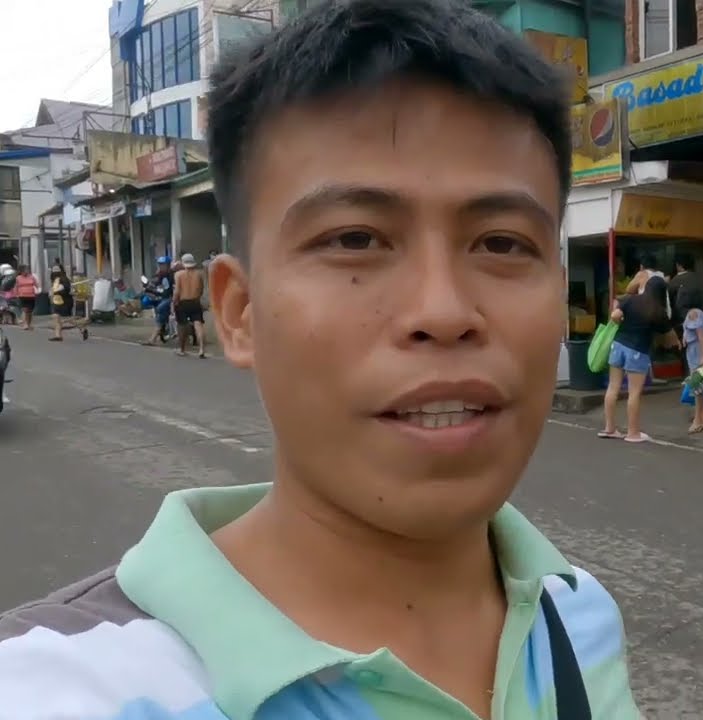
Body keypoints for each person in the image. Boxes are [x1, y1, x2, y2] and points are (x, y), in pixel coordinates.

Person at [0, 1, 640, 717]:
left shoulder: (580, 620)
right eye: (356, 240)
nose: (444, 312)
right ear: (239, 313)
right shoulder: (62, 688)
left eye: (502, 244)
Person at [599, 275, 674, 443]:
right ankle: (633, 433)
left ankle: (610, 428)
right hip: (637, 350)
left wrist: (621, 320)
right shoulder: (658, 310)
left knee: (613, 387)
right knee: (634, 393)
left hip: (617, 345)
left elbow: (615, 315)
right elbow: (668, 338)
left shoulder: (630, 300)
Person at [682, 307, 703, 433]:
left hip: (697, 351)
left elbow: (701, 336)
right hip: (697, 349)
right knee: (700, 385)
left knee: (697, 386)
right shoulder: (699, 312)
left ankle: (698, 420)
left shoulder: (693, 314)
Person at [173, 252, 207, 358]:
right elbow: (201, 289)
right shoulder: (199, 274)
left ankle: (182, 349)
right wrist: (197, 297)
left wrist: (174, 302)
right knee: (198, 324)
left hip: (183, 302)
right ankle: (201, 349)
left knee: (182, 326)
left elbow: (177, 291)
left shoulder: (178, 275)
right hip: (195, 301)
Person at [48, 268, 87, 341]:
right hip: (61, 301)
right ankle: (58, 335)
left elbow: (64, 290)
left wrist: (55, 292)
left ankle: (81, 327)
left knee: (62, 319)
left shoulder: (61, 280)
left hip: (63, 301)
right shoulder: (61, 280)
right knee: (57, 317)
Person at [142, 257, 174, 346]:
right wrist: (150, 286)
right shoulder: (160, 274)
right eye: (160, 265)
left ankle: (152, 339)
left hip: (170, 298)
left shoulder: (172, 275)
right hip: (162, 297)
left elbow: (172, 288)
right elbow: (156, 283)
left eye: (163, 265)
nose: (161, 267)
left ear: (168, 265)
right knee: (156, 308)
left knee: (160, 310)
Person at [12, 265, 39, 331]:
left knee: (30, 311)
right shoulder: (18, 278)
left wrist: (37, 290)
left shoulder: (32, 277)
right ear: (21, 271)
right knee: (25, 310)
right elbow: (16, 287)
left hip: (31, 295)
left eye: (27, 270)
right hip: (22, 296)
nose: (26, 271)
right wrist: (16, 294)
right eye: (25, 270)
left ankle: (29, 324)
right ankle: (25, 324)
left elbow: (36, 285)